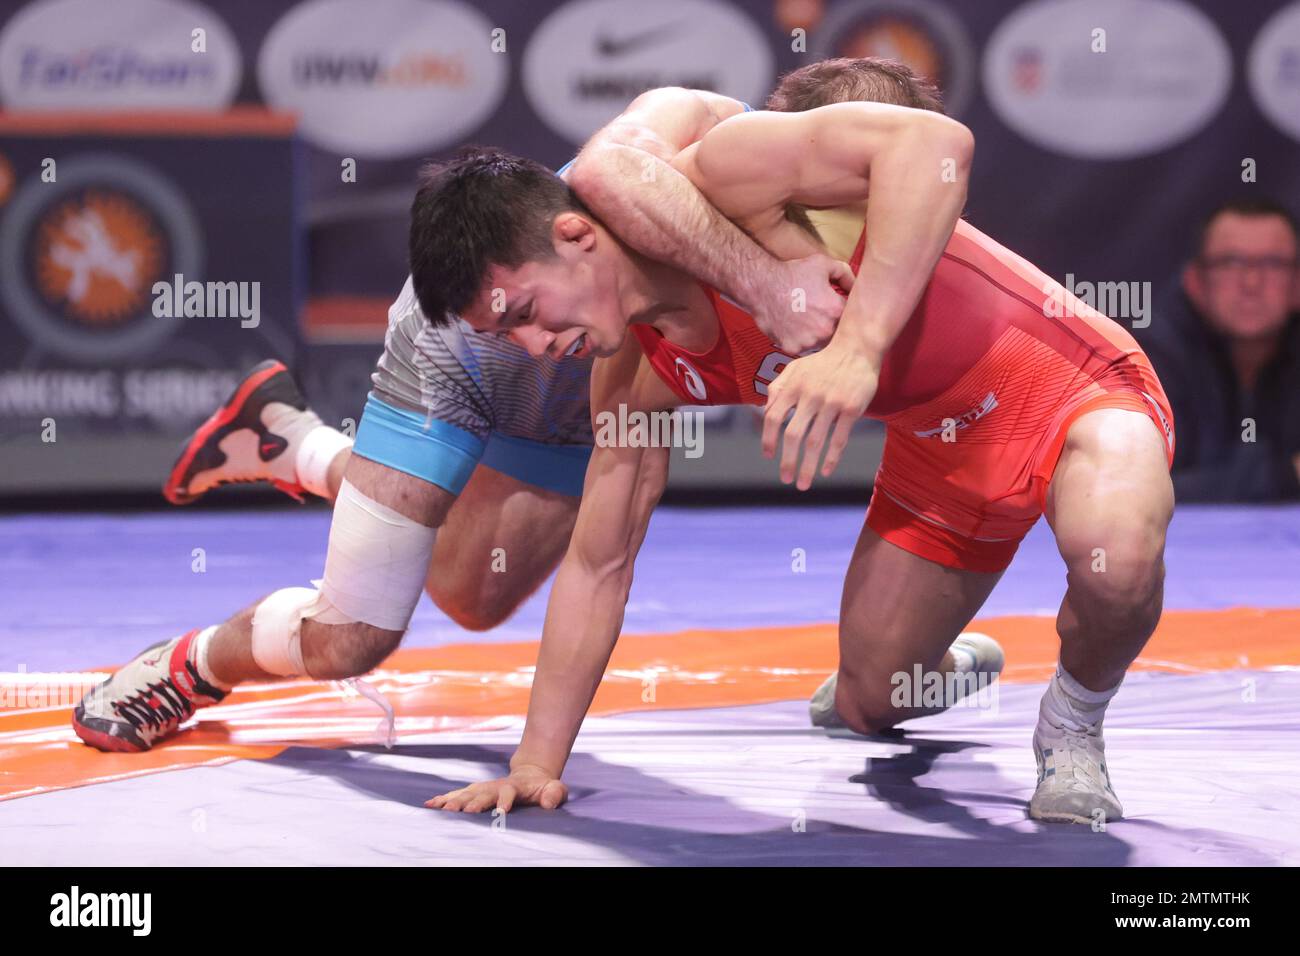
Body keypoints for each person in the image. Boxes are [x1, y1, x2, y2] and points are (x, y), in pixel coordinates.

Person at [424, 58, 1176, 825]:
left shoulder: (723, 181)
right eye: (506, 333)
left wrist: (858, 349)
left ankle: (1073, 724)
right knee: (870, 701)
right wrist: (534, 764)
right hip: (940, 445)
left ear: (577, 237)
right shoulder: (633, 375)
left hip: (1071, 386)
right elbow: (599, 561)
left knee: (1114, 559)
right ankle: (944, 662)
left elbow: (937, 144)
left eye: (523, 311)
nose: (533, 345)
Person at [71, 88, 850, 753]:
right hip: (463, 358)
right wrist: (772, 284)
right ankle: (194, 664)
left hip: (590, 356)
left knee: (474, 598)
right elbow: (627, 154)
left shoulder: (801, 200)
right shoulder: (673, 155)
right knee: (355, 637)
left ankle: (297, 444)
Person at [1137, 198, 1300, 501]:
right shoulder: (1151, 358)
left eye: (1273, 264)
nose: (1252, 283)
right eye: (1230, 263)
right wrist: (1286, 474)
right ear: (1196, 283)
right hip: (1180, 547)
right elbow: (1144, 489)